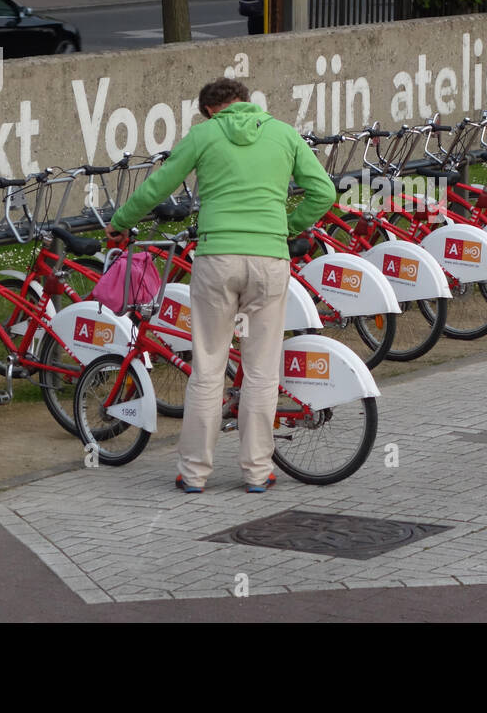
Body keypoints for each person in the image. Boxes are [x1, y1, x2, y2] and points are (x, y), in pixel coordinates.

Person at [108, 77, 335, 493]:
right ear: (247, 103)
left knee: (208, 367)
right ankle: (256, 471)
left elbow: (157, 186)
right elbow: (323, 191)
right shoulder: (284, 134)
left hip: (216, 260)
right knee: (262, 370)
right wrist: (287, 227)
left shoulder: (204, 134)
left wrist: (121, 222)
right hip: (269, 260)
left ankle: (194, 473)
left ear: (210, 110)